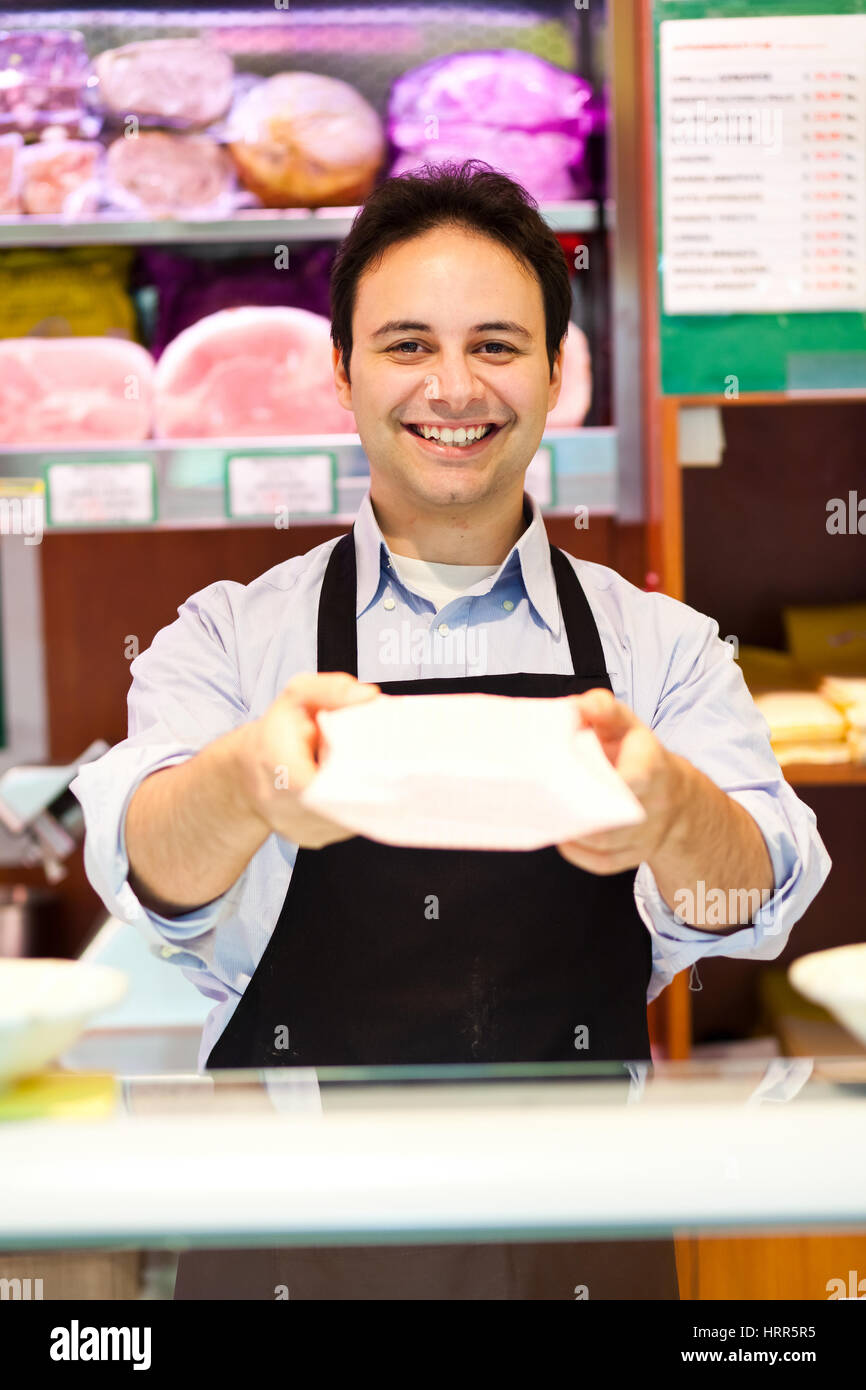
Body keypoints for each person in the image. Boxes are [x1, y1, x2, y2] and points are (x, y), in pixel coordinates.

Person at [72, 161, 830, 1300]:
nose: (453, 386)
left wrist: (671, 810)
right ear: (342, 372)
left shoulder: (661, 647)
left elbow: (751, 897)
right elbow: (151, 871)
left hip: (578, 1235)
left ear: (554, 373)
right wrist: (244, 784)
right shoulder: (228, 638)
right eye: (407, 344)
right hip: (286, 1235)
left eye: (495, 344)